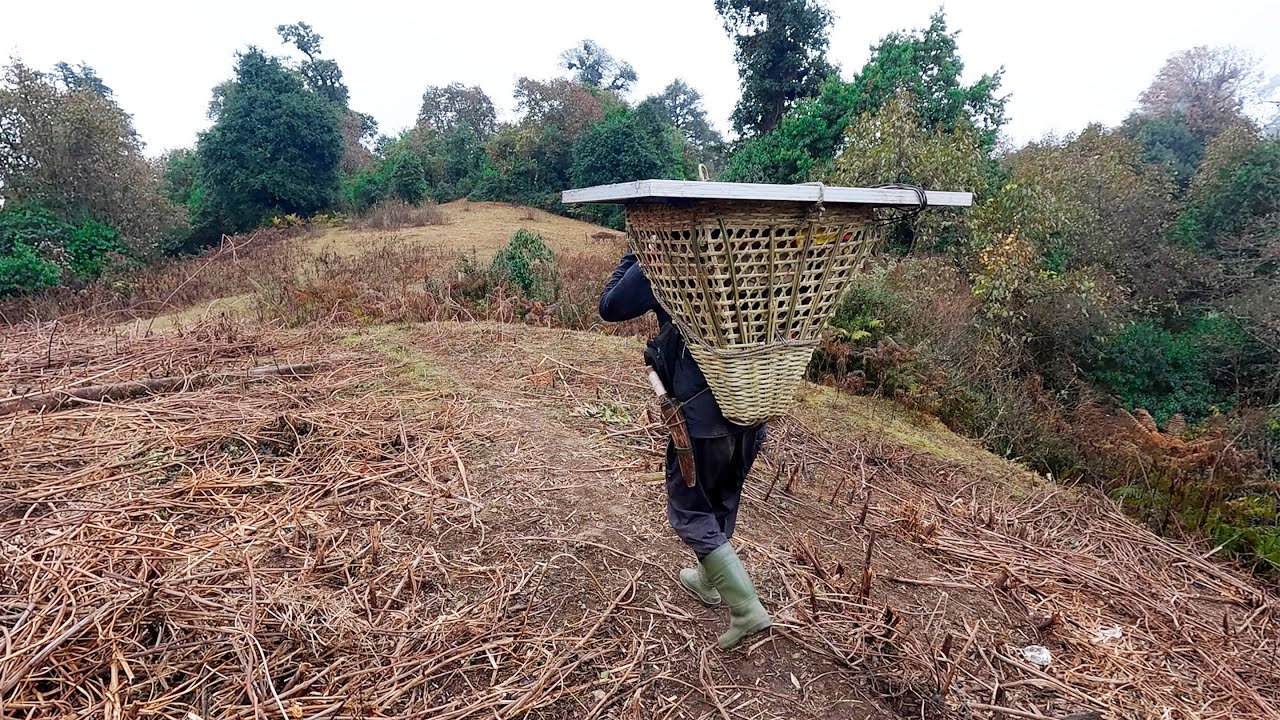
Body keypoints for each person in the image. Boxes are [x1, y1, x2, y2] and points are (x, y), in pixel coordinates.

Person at [599, 250, 771, 649]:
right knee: (724, 492)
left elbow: (611, 306)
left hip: (701, 408)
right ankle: (707, 580)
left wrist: (636, 255)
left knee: (689, 506)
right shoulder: (765, 255)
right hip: (754, 399)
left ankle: (746, 609)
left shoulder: (671, 252)